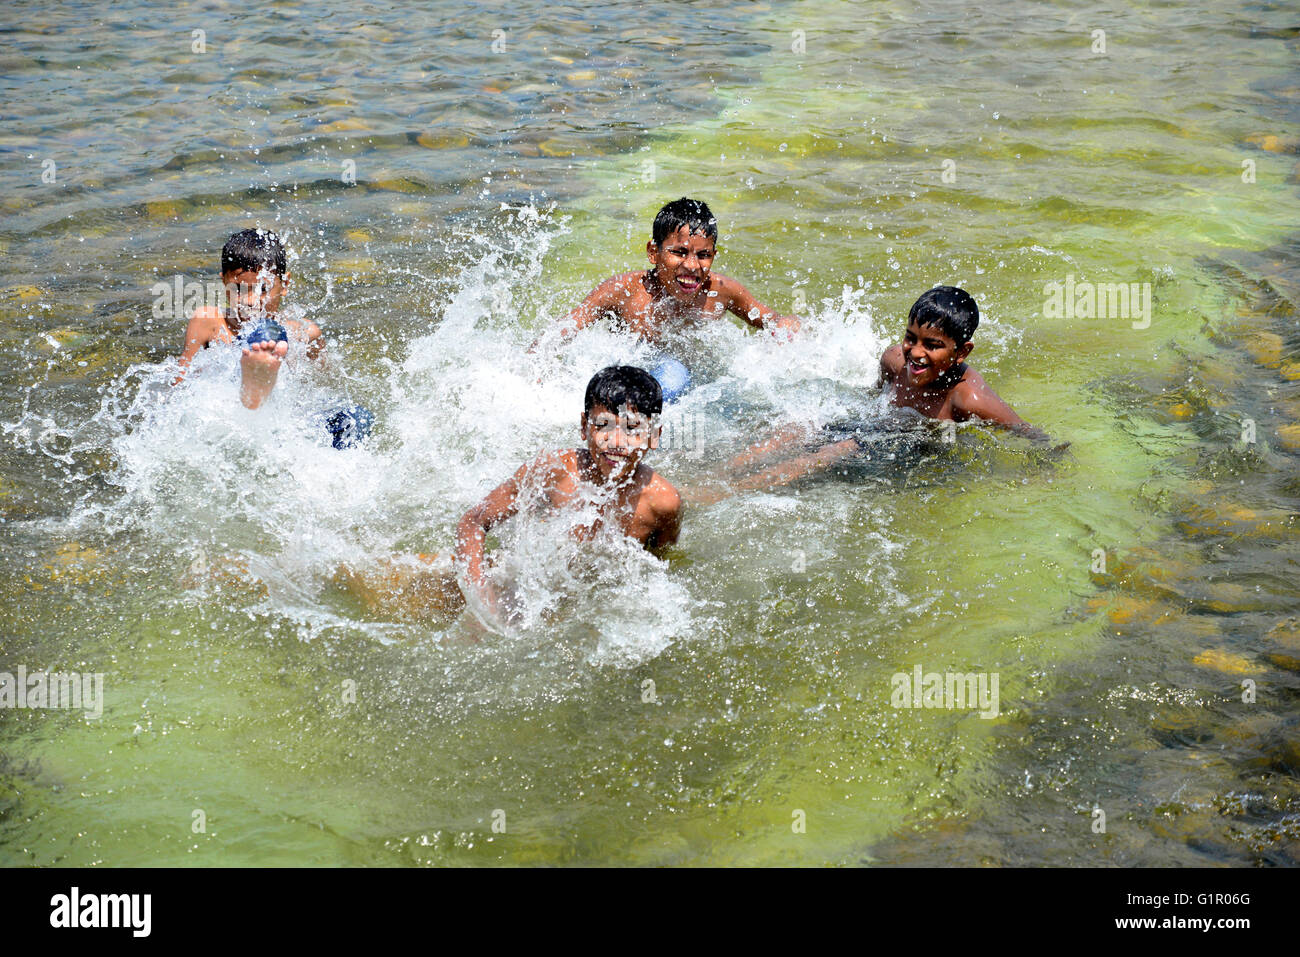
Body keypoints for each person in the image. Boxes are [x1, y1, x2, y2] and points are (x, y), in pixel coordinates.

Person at [336, 366, 683, 624]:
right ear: (583, 426)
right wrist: (481, 593)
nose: (617, 442)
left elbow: (657, 568)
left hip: (567, 601)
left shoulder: (662, 503)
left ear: (655, 436)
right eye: (602, 425)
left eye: (633, 429)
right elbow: (474, 521)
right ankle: (336, 565)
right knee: (381, 603)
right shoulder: (555, 471)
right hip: (507, 575)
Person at [710, 286, 1053, 494]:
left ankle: (731, 492)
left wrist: (1045, 465)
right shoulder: (893, 360)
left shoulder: (967, 398)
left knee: (838, 448)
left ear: (961, 352)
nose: (916, 353)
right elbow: (875, 399)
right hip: (880, 429)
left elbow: (1028, 433)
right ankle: (720, 475)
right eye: (911, 338)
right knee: (803, 426)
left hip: (917, 451)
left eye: (932, 345)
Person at [553, 197, 801, 343]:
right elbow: (560, 332)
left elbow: (774, 320)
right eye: (679, 252)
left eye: (703, 255)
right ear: (653, 252)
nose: (692, 266)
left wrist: (788, 329)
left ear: (713, 256)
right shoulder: (623, 291)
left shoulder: (722, 292)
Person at [174, 227, 324, 409]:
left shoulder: (302, 333)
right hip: (225, 407)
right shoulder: (209, 322)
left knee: (355, 417)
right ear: (224, 282)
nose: (250, 301)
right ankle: (253, 384)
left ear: (284, 284)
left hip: (280, 415)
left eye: (262, 289)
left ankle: (258, 382)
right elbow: (180, 385)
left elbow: (323, 385)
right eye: (238, 289)